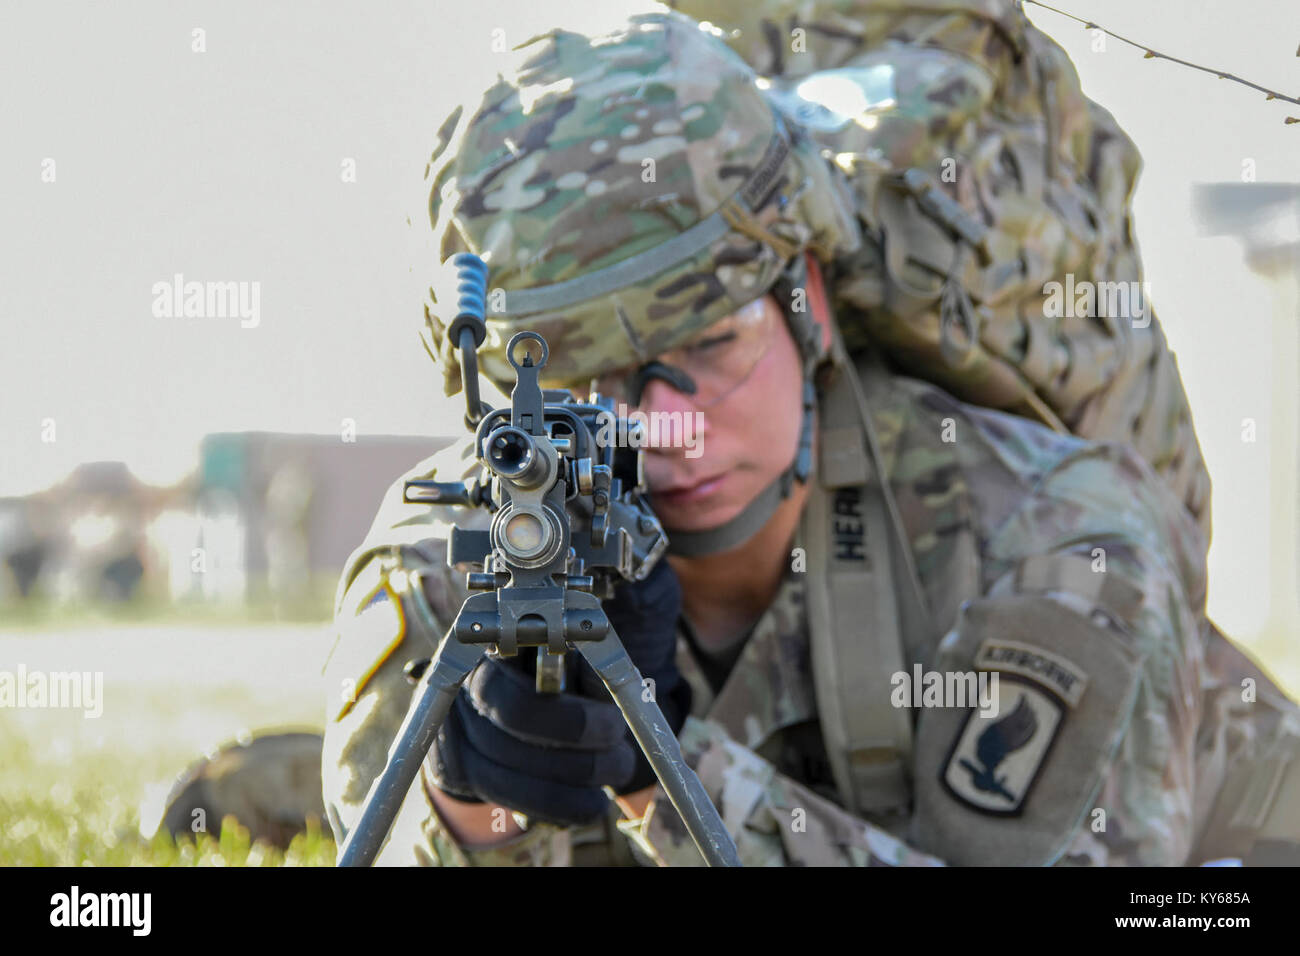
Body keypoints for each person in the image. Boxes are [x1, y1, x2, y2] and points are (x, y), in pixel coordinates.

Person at [320, 9, 1300, 866]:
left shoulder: (1051, 538)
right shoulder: (447, 567)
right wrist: (468, 810)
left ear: (810, 306)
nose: (662, 424)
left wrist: (665, 762)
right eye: (581, 388)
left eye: (709, 344)